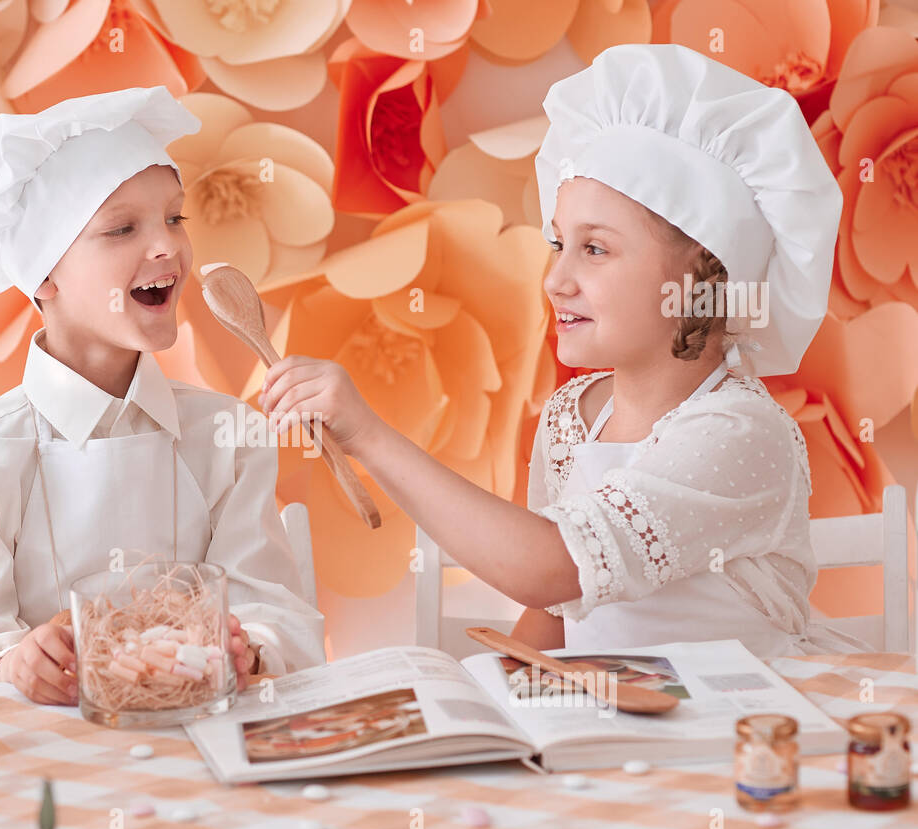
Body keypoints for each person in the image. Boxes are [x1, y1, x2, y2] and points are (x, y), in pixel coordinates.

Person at [259, 44, 869, 659]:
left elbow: (555, 567)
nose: (555, 279)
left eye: (596, 249)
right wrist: (501, 697)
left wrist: (368, 434)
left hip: (737, 730)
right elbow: (553, 611)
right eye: (558, 243)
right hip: (625, 731)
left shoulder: (740, 430)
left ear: (698, 278)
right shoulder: (573, 413)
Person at [0, 87, 325, 702]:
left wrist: (250, 650)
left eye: (174, 218)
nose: (167, 247)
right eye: (123, 227)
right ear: (42, 274)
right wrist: (14, 668)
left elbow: (275, 612)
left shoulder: (228, 438)